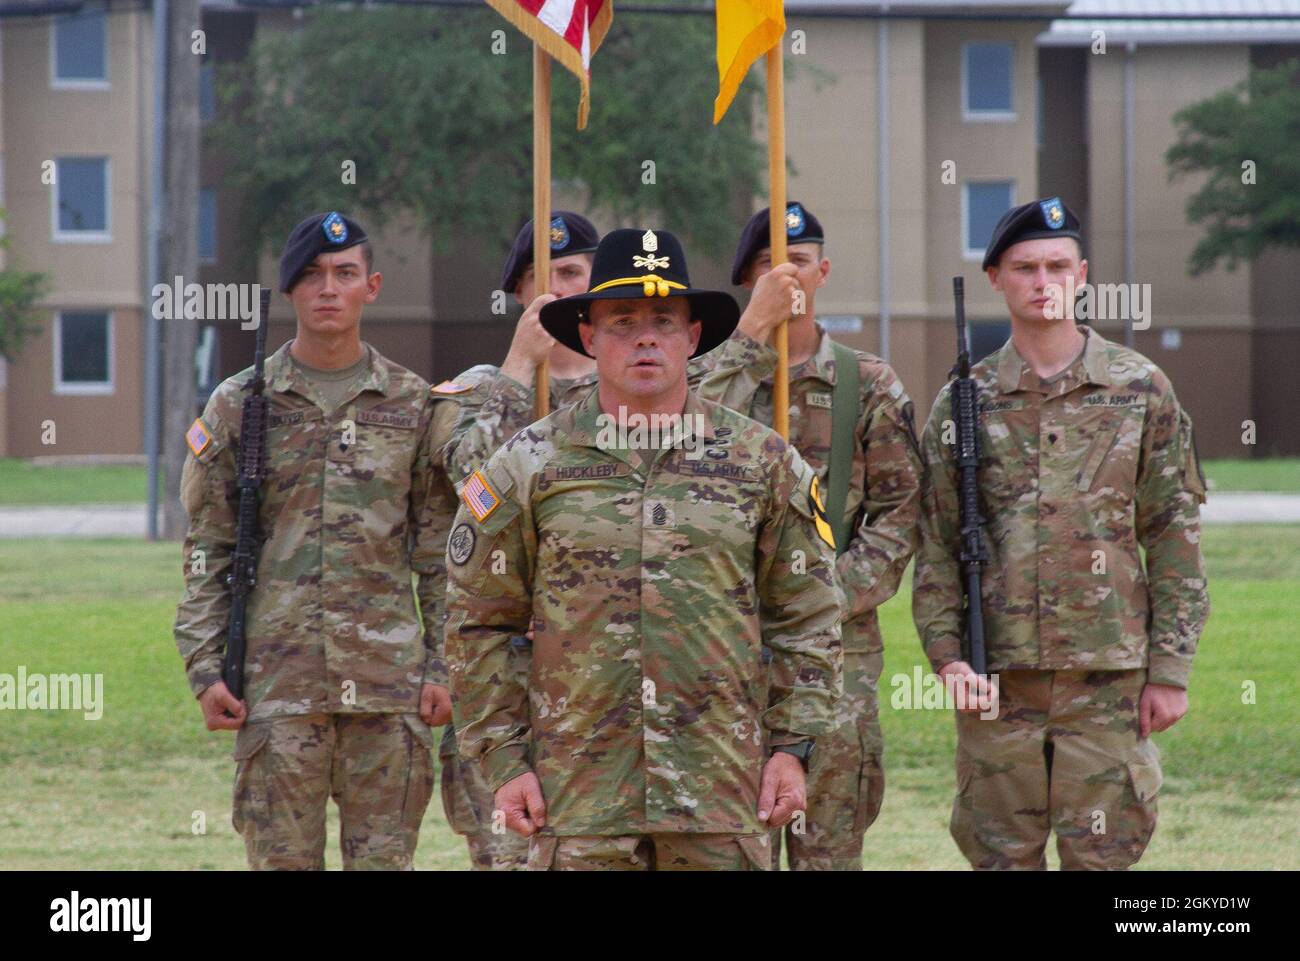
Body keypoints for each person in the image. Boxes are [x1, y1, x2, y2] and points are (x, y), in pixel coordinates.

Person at [444, 227, 844, 870]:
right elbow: (477, 622)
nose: (645, 337)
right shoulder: (526, 465)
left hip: (720, 795)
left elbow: (809, 616)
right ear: (588, 337)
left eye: (663, 319)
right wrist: (502, 759)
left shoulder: (764, 462)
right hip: (574, 804)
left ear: (693, 336)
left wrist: (792, 747)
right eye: (622, 320)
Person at [912, 197, 1210, 870]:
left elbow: (1172, 535)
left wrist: (1171, 669)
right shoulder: (966, 399)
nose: (1042, 281)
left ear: (1082, 275)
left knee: (1103, 856)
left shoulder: (1140, 389)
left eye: (1056, 266)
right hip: (998, 682)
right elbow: (937, 545)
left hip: (1107, 676)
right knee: (999, 858)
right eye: (1024, 268)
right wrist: (948, 656)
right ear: (995, 277)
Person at [173, 211, 447, 870]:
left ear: (371, 285)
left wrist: (444, 664)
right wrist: (205, 668)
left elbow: (439, 556)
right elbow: (208, 548)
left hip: (388, 691)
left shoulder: (412, 404)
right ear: (290, 289)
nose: (329, 288)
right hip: (278, 691)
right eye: (313, 275)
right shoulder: (242, 404)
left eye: (345, 273)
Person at [698, 201, 923, 870]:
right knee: (727, 844)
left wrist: (825, 593)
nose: (785, 275)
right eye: (769, 264)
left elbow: (900, 509)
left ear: (822, 270)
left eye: (797, 261)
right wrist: (750, 332)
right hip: (724, 651)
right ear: (747, 280)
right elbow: (679, 443)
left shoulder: (868, 382)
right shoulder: (714, 377)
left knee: (827, 845)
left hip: (835, 656)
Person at [427, 212, 599, 870]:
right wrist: (520, 367)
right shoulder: (474, 390)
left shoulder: (634, 392)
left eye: (575, 273)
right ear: (521, 292)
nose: (561, 287)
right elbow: (475, 489)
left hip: (599, 675)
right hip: (503, 676)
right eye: (545, 277)